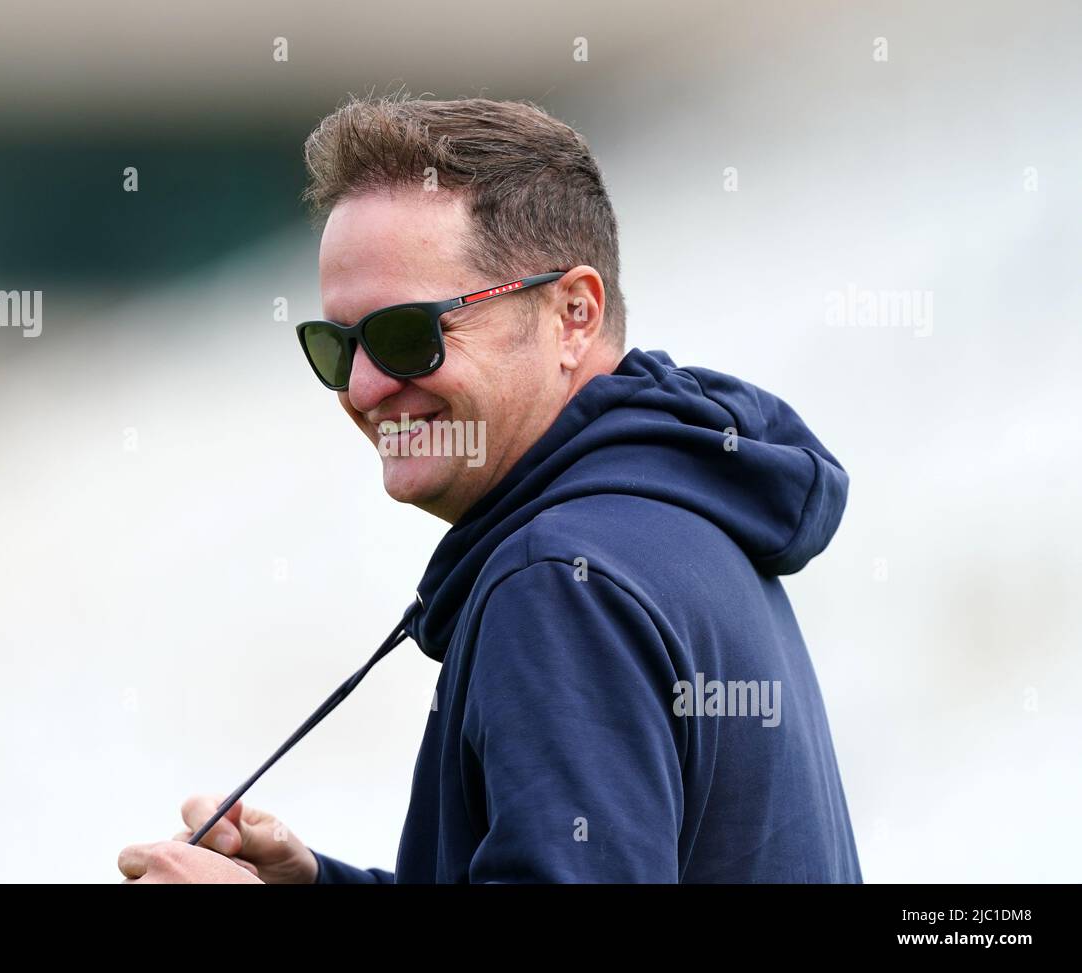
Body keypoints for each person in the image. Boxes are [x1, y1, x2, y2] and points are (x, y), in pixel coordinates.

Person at [119, 94, 862, 884]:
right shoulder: (677, 514)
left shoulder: (559, 581)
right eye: (338, 345)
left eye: (409, 334)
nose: (366, 389)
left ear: (573, 314)